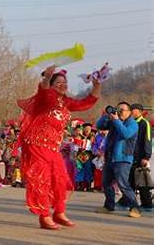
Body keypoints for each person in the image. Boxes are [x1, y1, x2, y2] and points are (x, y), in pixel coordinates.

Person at [16, 65, 101, 229]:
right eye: (59, 82)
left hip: (53, 148)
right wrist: (46, 78)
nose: (63, 84)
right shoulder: (46, 98)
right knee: (42, 180)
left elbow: (87, 103)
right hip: (36, 144)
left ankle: (59, 212)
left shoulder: (66, 102)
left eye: (65, 82)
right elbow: (43, 90)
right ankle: (44, 216)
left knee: (60, 179)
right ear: (52, 84)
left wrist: (97, 85)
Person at [95, 102, 141, 218]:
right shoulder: (113, 121)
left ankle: (135, 208)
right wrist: (106, 115)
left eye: (122, 110)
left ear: (129, 112)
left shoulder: (133, 124)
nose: (119, 112)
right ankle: (109, 206)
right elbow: (99, 125)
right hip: (110, 157)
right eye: (118, 109)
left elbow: (125, 134)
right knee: (106, 183)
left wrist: (116, 121)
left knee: (123, 184)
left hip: (123, 159)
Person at [117, 103, 153, 210]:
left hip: (140, 157)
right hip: (129, 156)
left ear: (140, 111)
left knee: (141, 181)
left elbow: (147, 140)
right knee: (129, 180)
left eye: (134, 110)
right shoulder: (129, 123)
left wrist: (146, 156)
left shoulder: (144, 123)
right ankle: (126, 201)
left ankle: (147, 204)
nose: (132, 112)